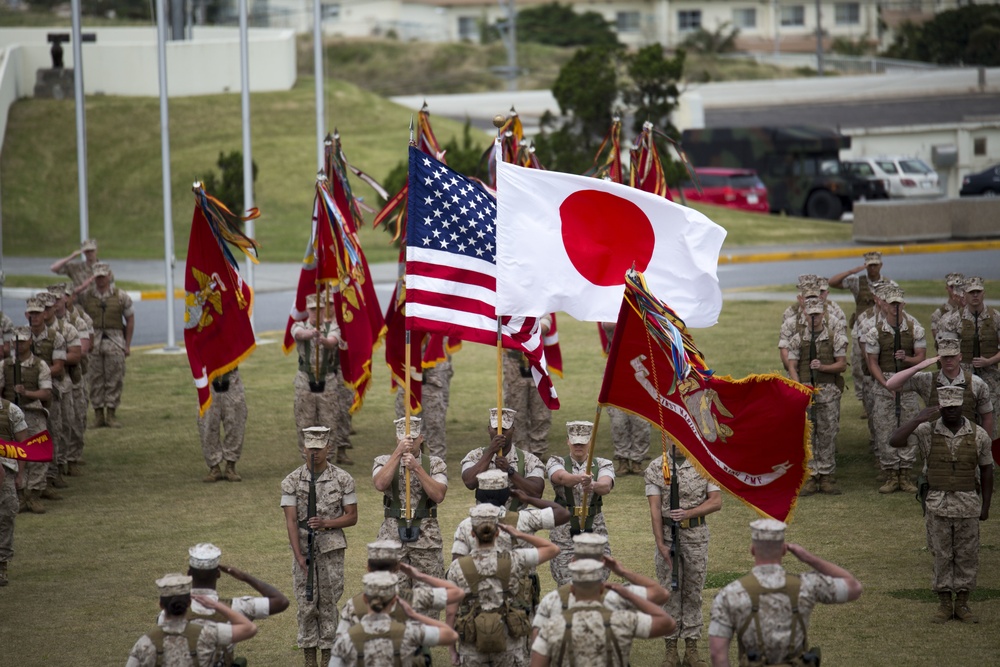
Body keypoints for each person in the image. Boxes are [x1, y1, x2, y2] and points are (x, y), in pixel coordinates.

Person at [889, 386, 993, 624]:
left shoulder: (978, 435)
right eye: (946, 408)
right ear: (940, 408)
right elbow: (895, 441)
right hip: (938, 504)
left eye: (955, 407)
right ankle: (945, 603)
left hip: (968, 504)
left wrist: (985, 506)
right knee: (941, 555)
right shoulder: (926, 431)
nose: (951, 412)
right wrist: (917, 418)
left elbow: (987, 471)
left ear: (962, 406)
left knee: (967, 555)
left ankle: (963, 603)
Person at [708, 519, 863, 667]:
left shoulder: (729, 594)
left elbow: (717, 653)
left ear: (753, 550)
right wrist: (809, 558)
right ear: (784, 550)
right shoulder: (806, 585)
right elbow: (853, 587)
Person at [280, 426, 358, 667]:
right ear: (303, 449)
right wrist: (298, 555)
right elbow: (291, 521)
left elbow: (352, 516)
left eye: (319, 448)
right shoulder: (291, 481)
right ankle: (309, 658)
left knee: (328, 602)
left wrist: (327, 523)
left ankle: (327, 655)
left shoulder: (343, 479)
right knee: (306, 604)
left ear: (328, 449)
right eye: (310, 448)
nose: (314, 453)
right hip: (304, 548)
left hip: (331, 548)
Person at [447, 504, 560, 667]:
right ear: (498, 532)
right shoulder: (515, 559)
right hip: (509, 642)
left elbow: (451, 613)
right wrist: (518, 533)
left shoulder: (457, 567)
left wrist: (452, 652)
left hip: (471, 644)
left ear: (472, 534)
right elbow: (553, 549)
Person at [646, 446, 723, 667]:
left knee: (693, 591)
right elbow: (654, 509)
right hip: (669, 537)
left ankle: (691, 648)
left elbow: (716, 501)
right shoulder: (655, 467)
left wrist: (689, 512)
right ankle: (671, 649)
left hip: (696, 537)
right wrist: (660, 542)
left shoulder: (705, 463)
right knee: (669, 591)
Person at [529, 559, 676, 667]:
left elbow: (537, 657)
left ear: (571, 590)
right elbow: (667, 620)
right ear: (601, 588)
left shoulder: (550, 626)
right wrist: (625, 582)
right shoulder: (621, 620)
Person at [864, 284, 926, 493]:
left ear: (903, 304)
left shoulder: (915, 328)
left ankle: (905, 473)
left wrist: (906, 359)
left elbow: (921, 357)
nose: (896, 308)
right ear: (885, 305)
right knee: (885, 428)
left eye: (899, 304)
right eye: (892, 304)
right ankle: (891, 473)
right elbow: (873, 363)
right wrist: (886, 384)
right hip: (885, 384)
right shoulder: (875, 331)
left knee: (909, 426)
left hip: (907, 384)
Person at [372, 416, 448, 587]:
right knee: (393, 597)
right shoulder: (383, 461)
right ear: (397, 438)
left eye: (413, 438)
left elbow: (438, 495)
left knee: (428, 597)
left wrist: (416, 468)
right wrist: (398, 453)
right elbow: (380, 483)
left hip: (426, 538)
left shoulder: (435, 464)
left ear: (421, 438)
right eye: (405, 439)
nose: (409, 443)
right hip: (392, 537)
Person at [329, 571, 459, 667]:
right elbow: (450, 634)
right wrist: (415, 616)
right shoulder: (410, 633)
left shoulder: (345, 641)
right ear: (394, 601)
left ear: (364, 599)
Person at [126, 573, 258, 667]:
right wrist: (217, 605)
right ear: (189, 603)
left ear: (161, 605)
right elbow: (249, 628)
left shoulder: (145, 643)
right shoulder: (207, 634)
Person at [787, 296, 848, 496]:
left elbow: (841, 364)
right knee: (808, 434)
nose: (814, 318)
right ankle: (811, 475)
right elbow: (792, 365)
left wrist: (823, 367)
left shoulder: (834, 337)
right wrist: (799, 387)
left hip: (828, 392)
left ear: (823, 314)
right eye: (810, 315)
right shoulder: (798, 339)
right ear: (805, 314)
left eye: (817, 315)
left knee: (827, 433)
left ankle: (827, 475)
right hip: (807, 392)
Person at [546, 420, 615, 585]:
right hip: (564, 530)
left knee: (598, 577)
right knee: (566, 579)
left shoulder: (603, 464)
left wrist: (593, 485)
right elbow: (561, 477)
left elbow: (606, 485)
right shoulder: (556, 462)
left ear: (590, 442)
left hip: (594, 528)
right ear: (568, 441)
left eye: (583, 443)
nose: (579, 446)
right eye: (575, 442)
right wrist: (580, 478)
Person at [886, 337, 994, 438]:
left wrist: (986, 448)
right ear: (938, 357)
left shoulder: (976, 383)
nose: (948, 360)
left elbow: (987, 418)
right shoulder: (927, 380)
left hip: (967, 442)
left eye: (952, 356)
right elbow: (891, 384)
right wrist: (919, 366)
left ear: (960, 356)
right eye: (945, 356)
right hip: (936, 443)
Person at [291, 293, 351, 464]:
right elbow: (298, 334)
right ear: (307, 310)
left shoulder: (333, 327)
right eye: (312, 309)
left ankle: (328, 461)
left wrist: (322, 340)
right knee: (305, 424)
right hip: (305, 382)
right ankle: (308, 461)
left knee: (329, 424)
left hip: (328, 383)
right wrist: (311, 334)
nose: (315, 313)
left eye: (319, 309)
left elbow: (333, 341)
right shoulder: (299, 325)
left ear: (324, 309)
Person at [940, 276, 1000, 438]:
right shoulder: (953, 319)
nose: (975, 296)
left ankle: (988, 458)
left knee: (989, 419)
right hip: (963, 378)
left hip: (990, 378)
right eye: (971, 292)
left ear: (983, 293)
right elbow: (946, 351)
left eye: (978, 292)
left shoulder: (996, 318)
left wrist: (990, 361)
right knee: (964, 419)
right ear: (964, 295)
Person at [76, 261, 134, 428]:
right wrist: (84, 285)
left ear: (109, 276)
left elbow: (130, 319)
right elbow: (70, 298)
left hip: (114, 342)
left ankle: (111, 413)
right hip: (93, 343)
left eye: (103, 276)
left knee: (115, 378)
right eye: (97, 277)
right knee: (94, 379)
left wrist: (127, 344)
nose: (101, 280)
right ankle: (98, 414)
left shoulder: (121, 296)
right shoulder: (86, 296)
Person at [2, 326, 52, 514]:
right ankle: (20, 492)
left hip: (32, 411)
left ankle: (34, 494)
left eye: (22, 341)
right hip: (10, 413)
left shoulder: (40, 365)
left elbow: (46, 392)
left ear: (30, 341)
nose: (19, 345)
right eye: (16, 341)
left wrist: (26, 393)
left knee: (37, 451)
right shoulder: (5, 365)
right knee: (12, 452)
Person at [830, 252, 888, 411]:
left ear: (881, 265)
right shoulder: (858, 282)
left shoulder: (889, 285)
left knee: (880, 362)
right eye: (869, 265)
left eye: (875, 265)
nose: (873, 268)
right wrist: (852, 271)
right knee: (858, 366)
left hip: (881, 329)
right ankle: (865, 402)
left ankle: (881, 396)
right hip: (860, 330)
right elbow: (832, 282)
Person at [461, 408, 545, 507]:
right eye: (496, 429)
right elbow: (469, 482)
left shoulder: (529, 459)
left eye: (504, 429)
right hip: (484, 517)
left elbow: (536, 493)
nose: (500, 433)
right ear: (489, 429)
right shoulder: (475, 456)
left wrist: (509, 471)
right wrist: (490, 452)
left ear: (513, 430)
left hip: (516, 518)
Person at [49, 283, 90, 477]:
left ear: (65, 299)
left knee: (75, 419)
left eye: (58, 298)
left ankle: (72, 458)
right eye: (51, 300)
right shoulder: (41, 325)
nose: (55, 303)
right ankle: (56, 464)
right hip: (52, 381)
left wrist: (55, 357)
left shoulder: (76, 322)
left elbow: (81, 351)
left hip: (73, 378)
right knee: (56, 424)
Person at [42, 287, 81, 489]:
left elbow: (77, 354)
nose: (51, 308)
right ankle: (45, 475)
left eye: (55, 302)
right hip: (38, 388)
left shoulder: (67, 329)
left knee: (63, 426)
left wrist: (52, 364)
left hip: (61, 385)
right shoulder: (27, 333)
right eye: (45, 307)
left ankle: (60, 465)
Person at [395, 333, 455, 460]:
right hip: (408, 384)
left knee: (435, 429)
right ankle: (410, 470)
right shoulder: (405, 321)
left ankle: (437, 471)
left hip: (432, 383)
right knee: (408, 432)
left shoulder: (436, 325)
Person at [602, 323, 650, 474]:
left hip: (640, 377)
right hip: (618, 377)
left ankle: (637, 461)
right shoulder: (612, 309)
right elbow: (607, 325)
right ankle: (622, 460)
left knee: (641, 422)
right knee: (618, 422)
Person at [503, 314, 553, 461]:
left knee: (541, 412)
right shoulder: (507, 305)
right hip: (514, 363)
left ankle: (538, 454)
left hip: (536, 361)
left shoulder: (537, 302)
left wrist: (527, 328)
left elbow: (546, 323)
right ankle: (520, 456)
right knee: (516, 411)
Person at [198, 367, 248, 483]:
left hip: (231, 376)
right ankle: (214, 467)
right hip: (208, 378)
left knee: (236, 421)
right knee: (207, 423)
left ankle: (230, 466)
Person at [0, 397, 29, 586]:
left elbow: (23, 446)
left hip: (6, 472)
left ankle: (1, 565)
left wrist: (19, 475)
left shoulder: (12, 411)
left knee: (6, 516)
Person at [930, 273, 965, 350]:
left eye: (958, 287)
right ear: (946, 288)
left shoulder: (969, 310)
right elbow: (938, 342)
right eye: (952, 287)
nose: (955, 290)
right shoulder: (938, 314)